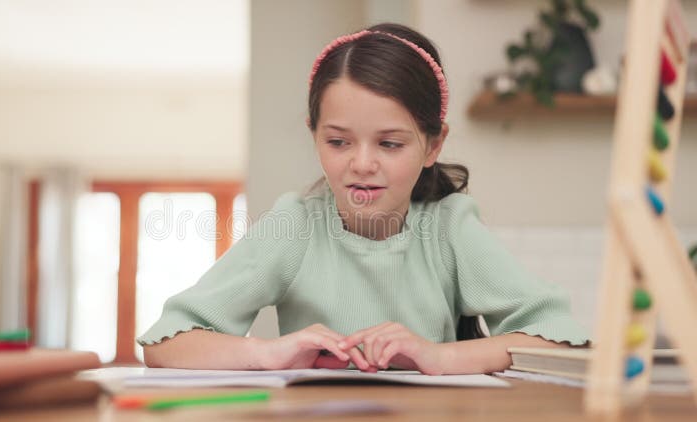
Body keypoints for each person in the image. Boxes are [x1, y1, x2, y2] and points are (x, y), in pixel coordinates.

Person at [139, 23, 589, 375]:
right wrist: (268, 353)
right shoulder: (294, 228)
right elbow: (166, 344)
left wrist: (439, 356)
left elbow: (561, 338)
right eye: (338, 142)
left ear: (433, 145)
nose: (362, 164)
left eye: (390, 144)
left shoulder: (450, 228)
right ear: (314, 135)